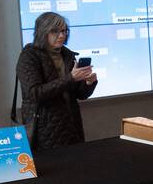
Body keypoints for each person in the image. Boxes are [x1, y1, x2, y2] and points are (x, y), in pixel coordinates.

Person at [14, 11, 97, 151]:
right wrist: (70, 78)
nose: (62, 35)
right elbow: (34, 93)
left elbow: (79, 94)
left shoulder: (67, 54)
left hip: (71, 124)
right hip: (44, 127)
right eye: (55, 31)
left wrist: (89, 82)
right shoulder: (29, 56)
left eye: (64, 31)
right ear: (43, 32)